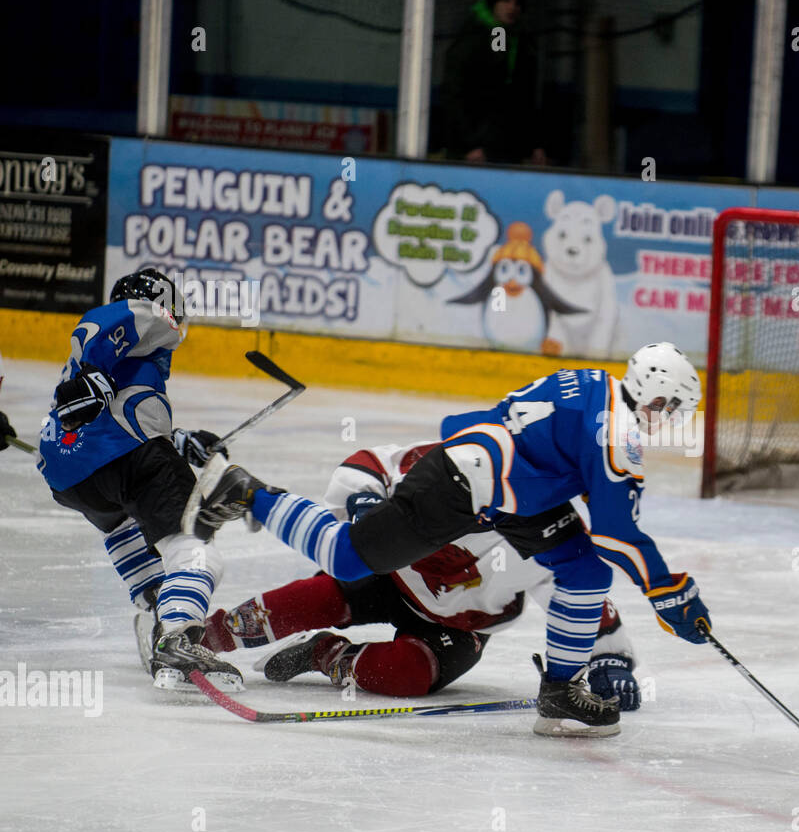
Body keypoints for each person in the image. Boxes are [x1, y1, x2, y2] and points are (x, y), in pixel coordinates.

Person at [185, 343, 710, 737]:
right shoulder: (615, 429)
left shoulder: (596, 386)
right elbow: (618, 530)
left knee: (584, 570)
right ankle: (247, 493)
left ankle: (559, 691)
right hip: (471, 484)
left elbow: (593, 512)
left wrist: (612, 654)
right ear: (657, 396)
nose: (668, 424)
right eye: (673, 410)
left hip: (516, 497)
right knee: (349, 557)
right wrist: (672, 592)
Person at [202, 440, 641, 709]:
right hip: (390, 576)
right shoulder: (458, 463)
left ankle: (324, 653)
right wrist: (365, 502)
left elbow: (581, 598)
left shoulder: (551, 534)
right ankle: (200, 639)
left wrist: (610, 658)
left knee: (408, 674)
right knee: (314, 599)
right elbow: (370, 462)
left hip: (457, 624)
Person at [36, 267, 242, 692]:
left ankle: (156, 610)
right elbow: (95, 330)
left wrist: (179, 440)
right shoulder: (143, 316)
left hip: (69, 474)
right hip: (127, 455)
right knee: (195, 551)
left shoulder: (120, 363)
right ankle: (178, 637)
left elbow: (117, 405)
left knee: (127, 525)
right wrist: (93, 375)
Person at [440, 0, 547, 165]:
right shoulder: (480, 36)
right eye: (506, 1)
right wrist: (470, 144)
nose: (512, 8)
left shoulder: (514, 37)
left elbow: (523, 96)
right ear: (493, 2)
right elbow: (456, 95)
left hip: (503, 146)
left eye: (516, 3)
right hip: (476, 149)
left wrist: (535, 144)